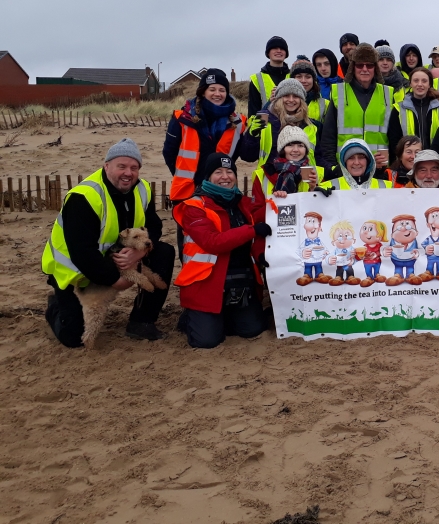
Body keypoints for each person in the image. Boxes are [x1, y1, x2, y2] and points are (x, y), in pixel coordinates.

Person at [42, 139, 176, 346]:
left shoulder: (143, 190)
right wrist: (115, 280)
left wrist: (140, 253)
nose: (128, 173)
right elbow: (81, 251)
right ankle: (55, 306)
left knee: (164, 252)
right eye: (121, 166)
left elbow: (154, 227)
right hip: (74, 271)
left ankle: (142, 322)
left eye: (133, 168)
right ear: (106, 166)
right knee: (73, 338)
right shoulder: (84, 197)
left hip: (114, 258)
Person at [173, 153, 269, 349]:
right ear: (207, 177)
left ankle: (224, 316)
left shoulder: (243, 203)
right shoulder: (194, 206)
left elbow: (271, 212)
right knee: (207, 341)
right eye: (218, 172)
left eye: (229, 172)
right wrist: (251, 230)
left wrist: (300, 194)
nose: (225, 177)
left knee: (251, 330)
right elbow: (212, 242)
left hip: (242, 281)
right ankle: (192, 317)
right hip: (207, 284)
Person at [163, 68, 247, 206]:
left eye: (222, 90)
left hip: (221, 191)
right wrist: (185, 177)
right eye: (212, 89)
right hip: (187, 191)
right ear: (203, 91)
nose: (217, 94)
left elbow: (236, 154)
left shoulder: (237, 122)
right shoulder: (183, 118)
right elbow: (169, 152)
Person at [319, 43, 394, 175]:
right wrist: (333, 167)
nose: (364, 69)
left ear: (375, 68)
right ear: (353, 68)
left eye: (369, 65)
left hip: (379, 170)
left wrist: (390, 164)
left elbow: (394, 137)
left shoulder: (387, 94)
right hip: (344, 169)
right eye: (360, 65)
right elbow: (328, 137)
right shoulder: (339, 92)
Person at [240, 78, 325, 172]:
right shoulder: (263, 120)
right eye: (286, 96)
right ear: (278, 98)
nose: (291, 100)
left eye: (296, 96)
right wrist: (252, 135)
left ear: (302, 100)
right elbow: (247, 157)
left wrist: (332, 170)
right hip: (270, 180)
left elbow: (318, 159)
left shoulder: (311, 126)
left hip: (303, 182)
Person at [250, 126, 322, 211]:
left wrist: (313, 189)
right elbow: (255, 215)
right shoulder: (263, 174)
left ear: (305, 150)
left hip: (307, 223)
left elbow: (323, 212)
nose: (296, 150)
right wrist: (276, 202)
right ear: (282, 149)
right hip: (272, 224)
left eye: (300, 145)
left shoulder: (317, 173)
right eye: (290, 145)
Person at [387, 66, 439, 158]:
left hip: (433, 163)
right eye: (416, 80)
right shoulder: (398, 109)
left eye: (424, 81)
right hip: (407, 163)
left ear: (430, 84)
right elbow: (394, 141)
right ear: (410, 83)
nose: (420, 84)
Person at [320, 138, 392, 190]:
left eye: (361, 157)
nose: (357, 162)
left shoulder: (388, 187)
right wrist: (316, 194)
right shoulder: (327, 187)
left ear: (368, 161)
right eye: (351, 158)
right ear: (344, 163)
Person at [248, 36, 292, 117]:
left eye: (282, 48)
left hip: (291, 126)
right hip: (267, 127)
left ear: (286, 53)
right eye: (275, 48)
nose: (279, 51)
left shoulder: (293, 76)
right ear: (268, 52)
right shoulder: (257, 79)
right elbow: (253, 113)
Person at [290, 57, 329, 123]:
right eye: (299, 76)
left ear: (314, 80)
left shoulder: (325, 104)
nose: (303, 81)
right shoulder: (284, 102)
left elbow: (329, 129)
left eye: (308, 77)